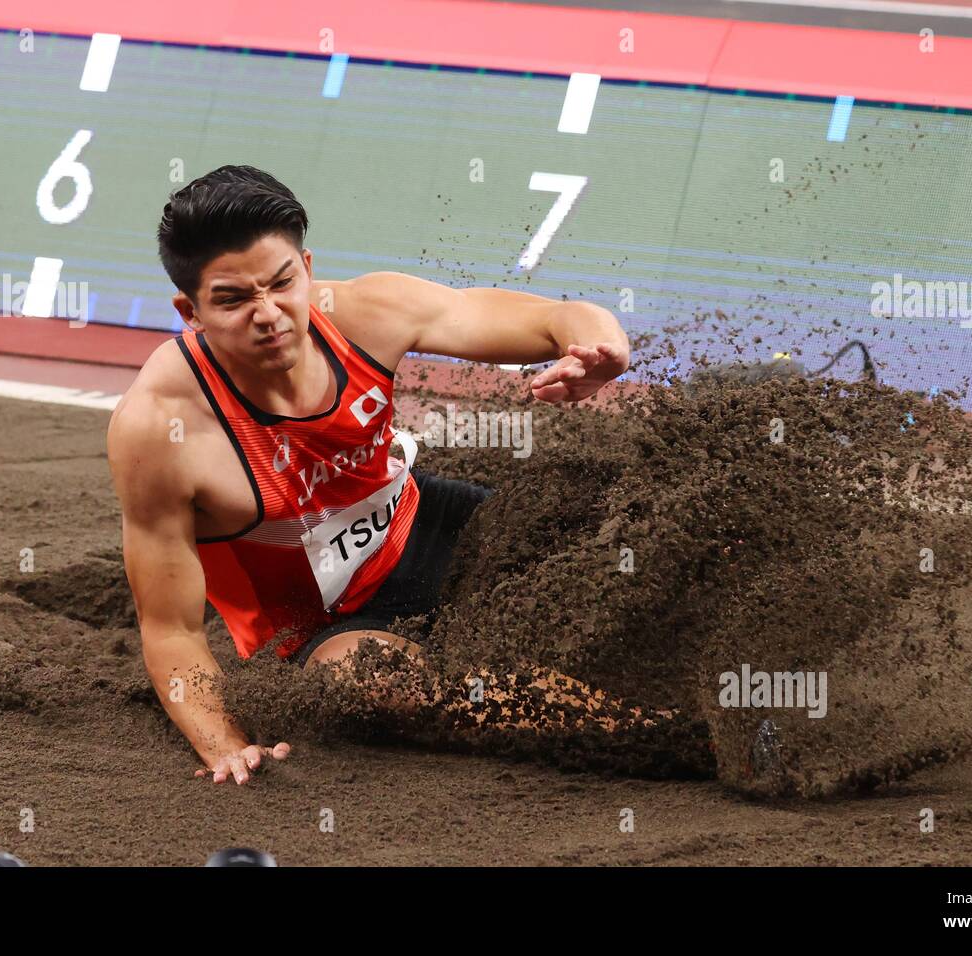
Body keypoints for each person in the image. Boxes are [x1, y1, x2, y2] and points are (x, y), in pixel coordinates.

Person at [107, 165, 671, 786]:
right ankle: (667, 733)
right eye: (234, 300)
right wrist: (224, 745)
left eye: (281, 283)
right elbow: (170, 629)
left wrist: (598, 344)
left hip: (428, 525)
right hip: (323, 626)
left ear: (308, 269)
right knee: (369, 685)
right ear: (190, 310)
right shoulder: (157, 428)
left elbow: (544, 318)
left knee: (635, 538)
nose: (268, 314)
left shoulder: (365, 312)